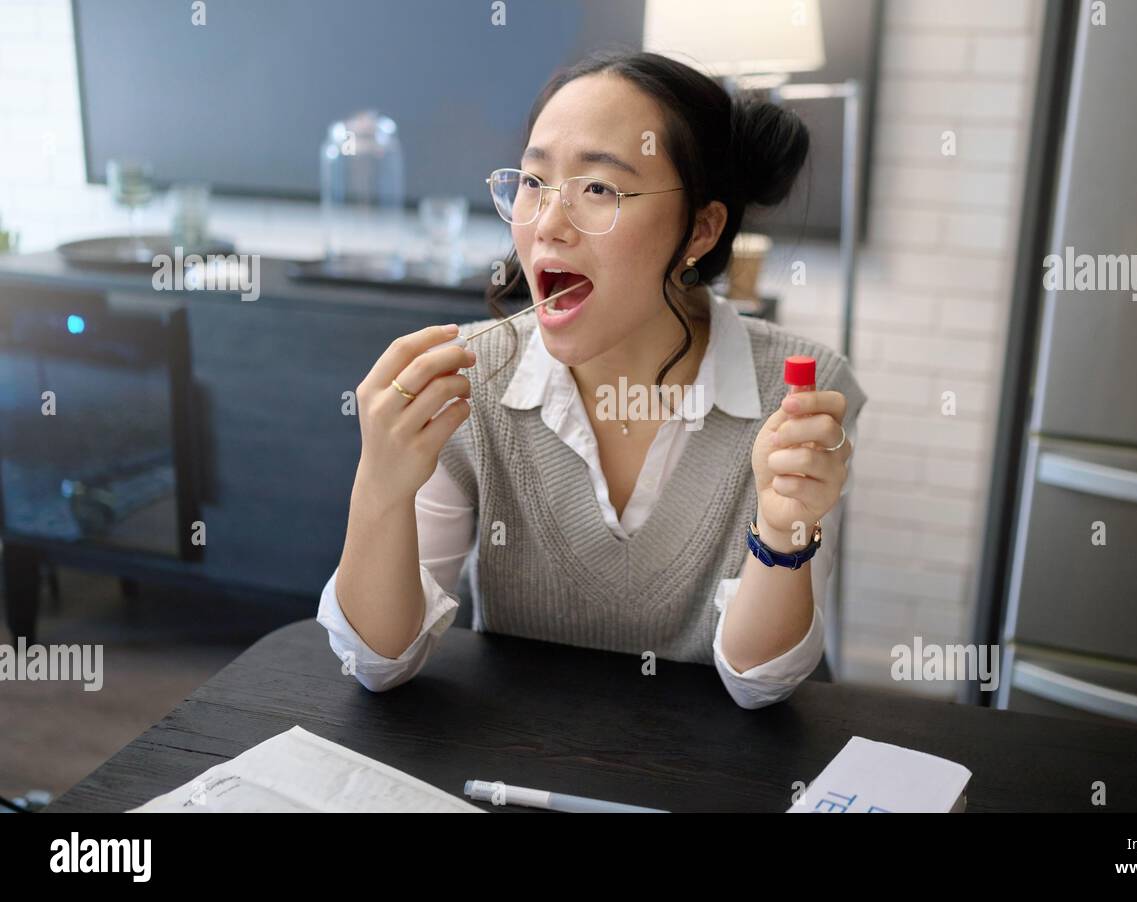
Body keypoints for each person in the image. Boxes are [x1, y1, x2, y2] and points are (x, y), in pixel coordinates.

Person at [317, 49, 867, 709]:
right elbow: (379, 662)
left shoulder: (798, 392)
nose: (547, 223)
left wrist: (783, 532)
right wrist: (379, 481)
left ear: (700, 228)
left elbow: (758, 683)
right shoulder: (470, 381)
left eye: (599, 188)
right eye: (532, 181)